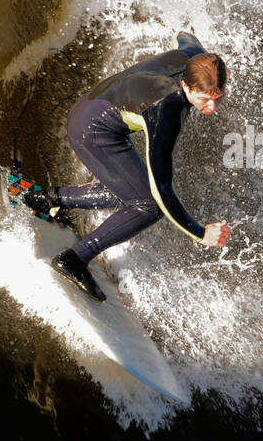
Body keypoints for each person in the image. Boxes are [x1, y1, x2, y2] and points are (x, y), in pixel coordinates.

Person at [25, 31, 231, 301]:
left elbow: (183, 36)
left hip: (92, 104)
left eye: (217, 96)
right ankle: (74, 259)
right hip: (92, 130)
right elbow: (162, 187)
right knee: (148, 205)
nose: (212, 107)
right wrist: (199, 232)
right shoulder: (166, 110)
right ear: (186, 86)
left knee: (131, 191)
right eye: (204, 98)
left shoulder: (195, 57)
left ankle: (47, 199)